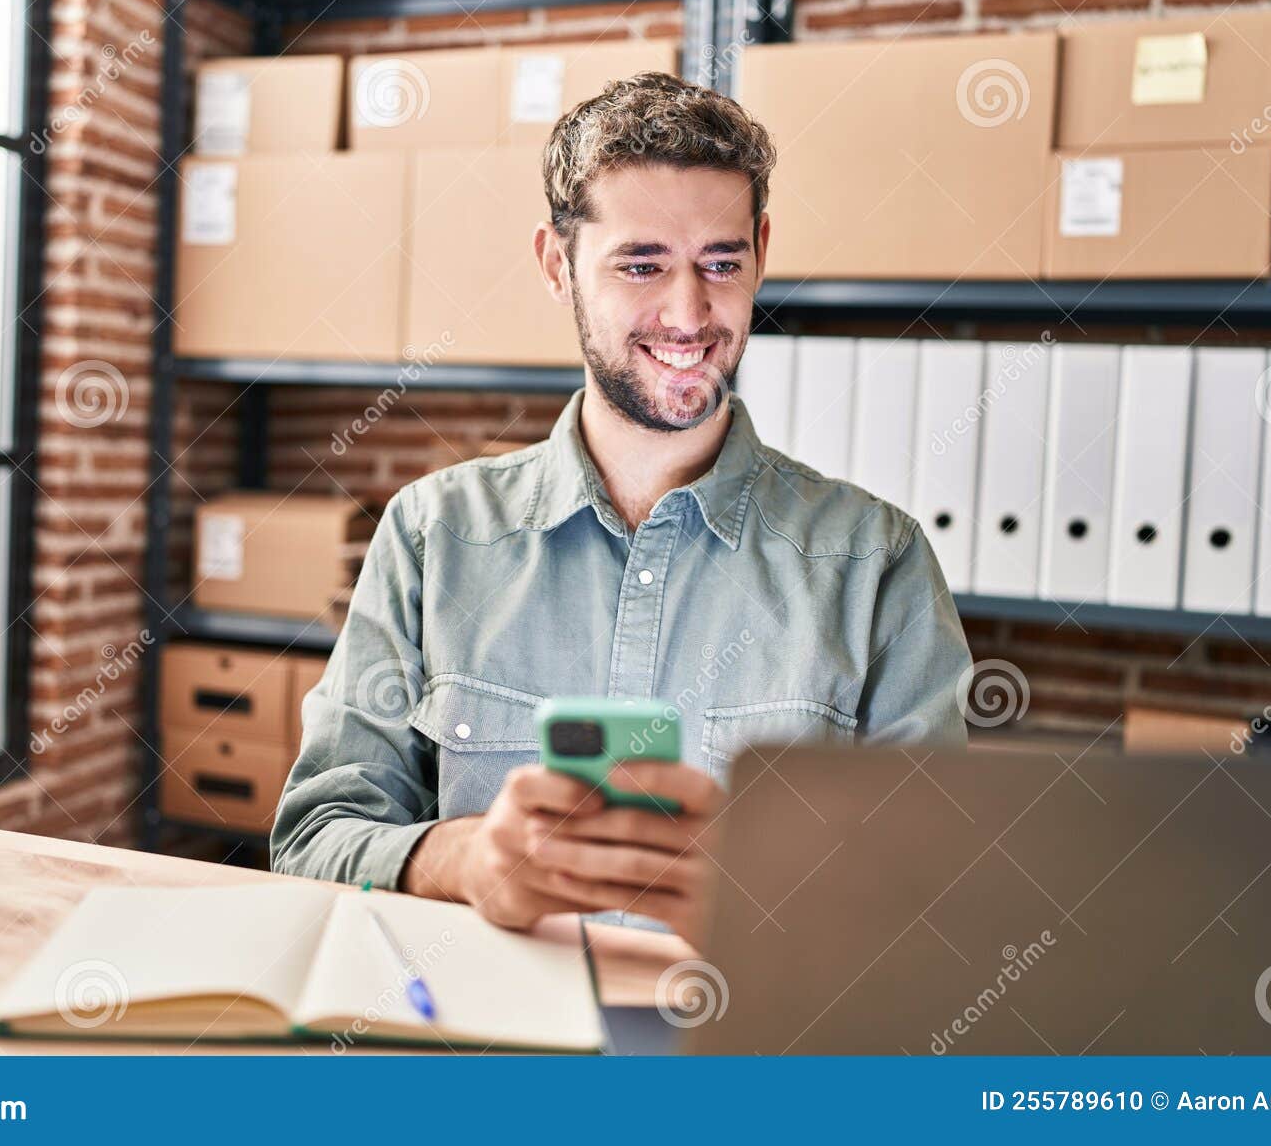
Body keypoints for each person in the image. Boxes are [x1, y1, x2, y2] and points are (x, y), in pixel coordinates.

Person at [270, 72, 971, 944]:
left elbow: (937, 894)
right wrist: (466, 858)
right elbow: (314, 838)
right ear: (557, 267)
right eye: (642, 265)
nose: (690, 313)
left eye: (722, 263)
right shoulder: (432, 535)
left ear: (761, 251)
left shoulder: (877, 563)